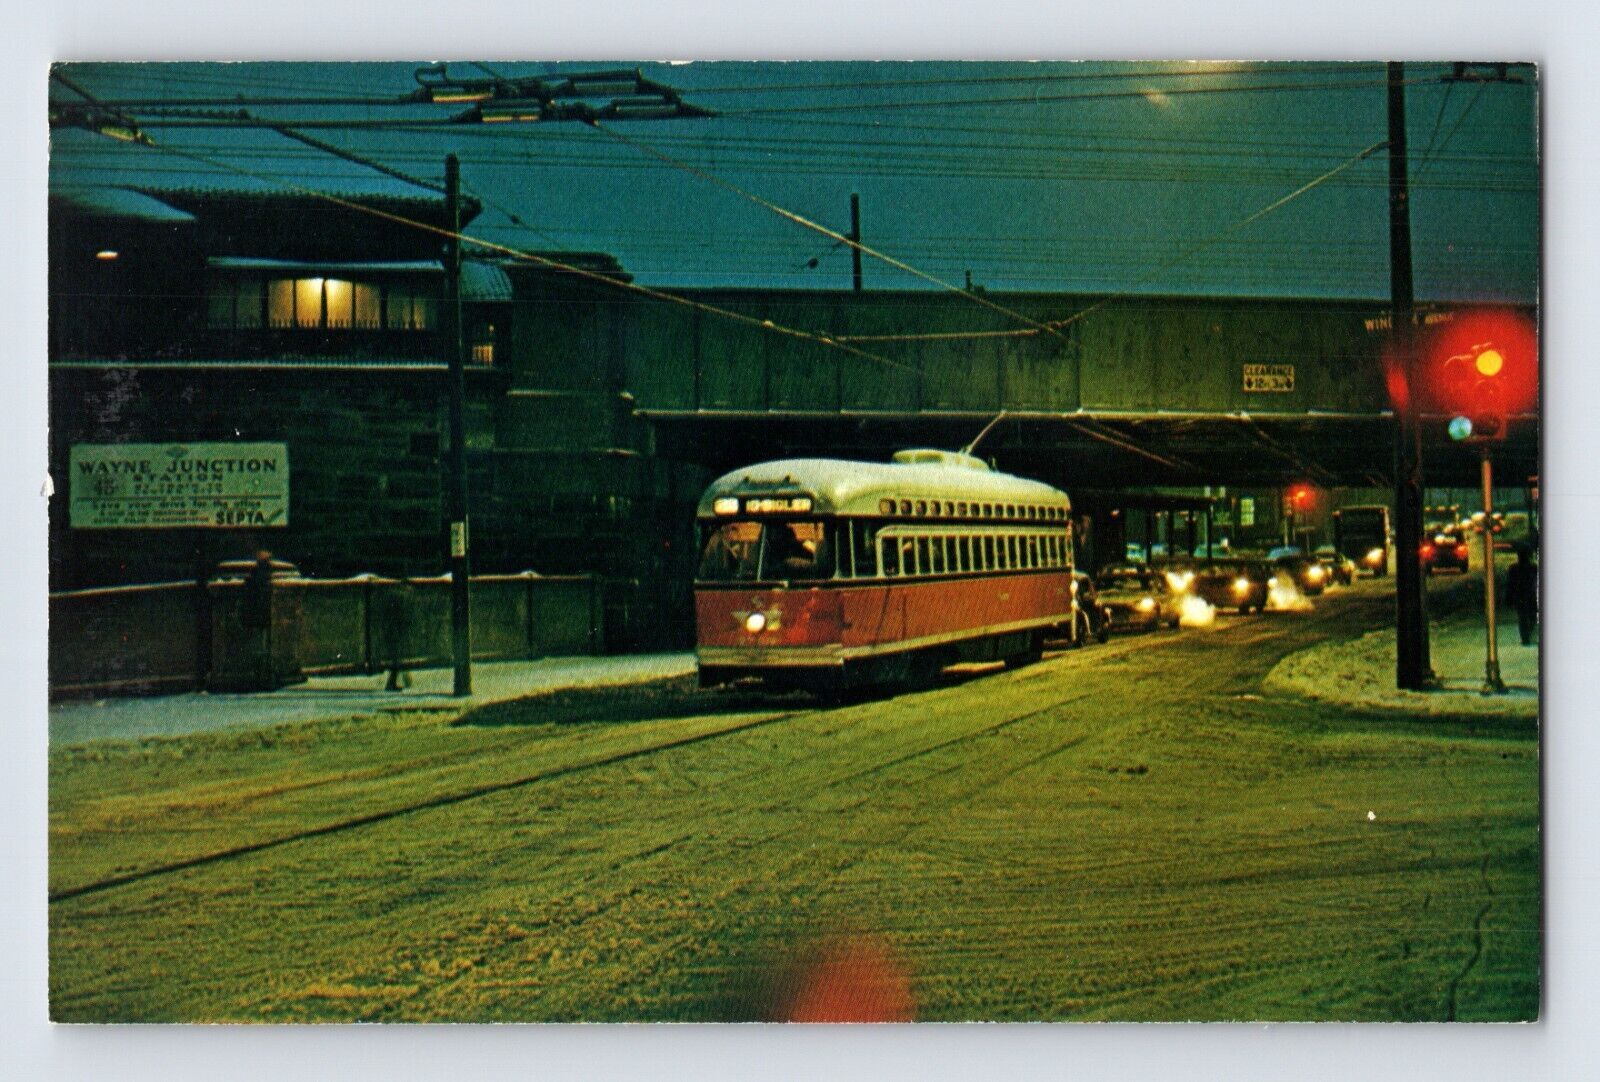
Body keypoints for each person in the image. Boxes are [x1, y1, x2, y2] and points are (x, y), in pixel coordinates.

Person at [239, 549, 276, 688]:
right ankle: (261, 675)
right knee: (262, 647)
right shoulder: (263, 578)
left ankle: (258, 675)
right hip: (261, 618)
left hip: (256, 618)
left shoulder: (254, 577)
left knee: (258, 647)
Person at [1505, 544, 1538, 646]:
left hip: (1520, 596)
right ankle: (1527, 636)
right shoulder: (1533, 568)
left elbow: (1510, 584)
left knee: (1523, 617)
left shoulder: (1514, 569)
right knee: (1530, 616)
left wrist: (1509, 597)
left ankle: (1525, 638)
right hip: (1530, 596)